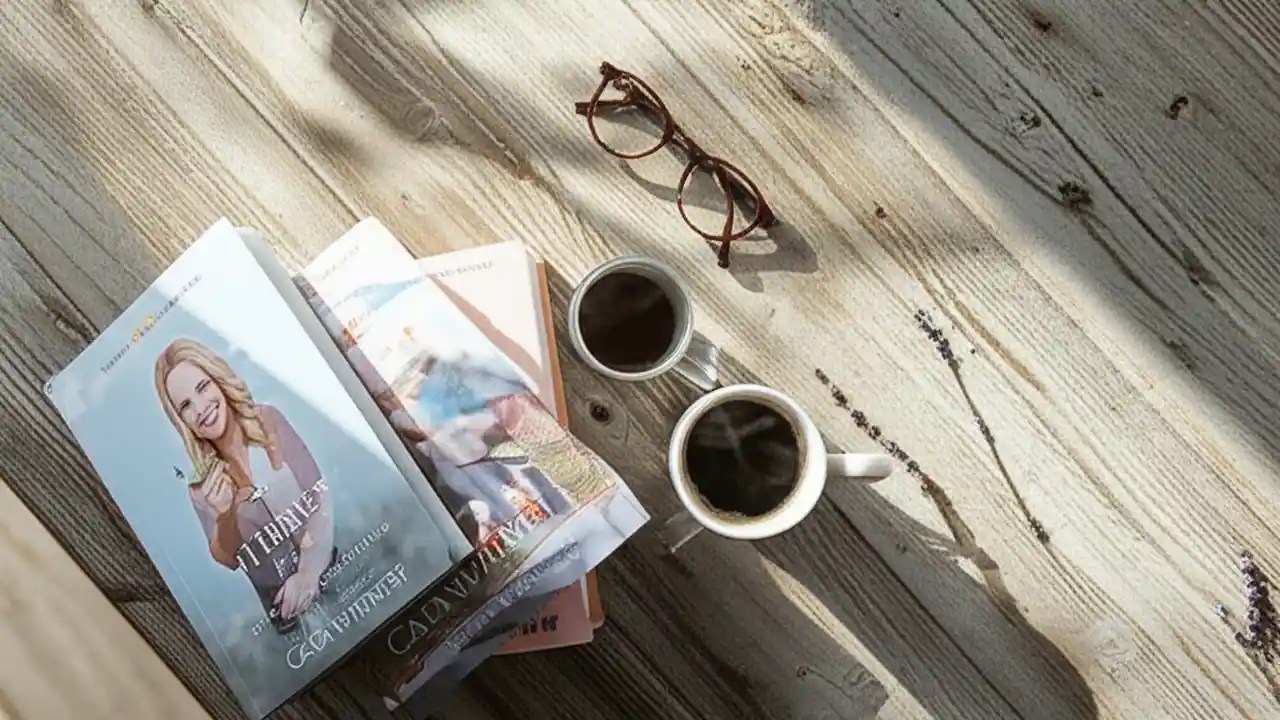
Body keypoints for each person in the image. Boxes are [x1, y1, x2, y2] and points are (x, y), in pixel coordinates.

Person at [154, 339, 335, 631]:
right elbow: (228, 560)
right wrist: (225, 515)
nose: (200, 409)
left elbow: (318, 492)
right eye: (186, 405)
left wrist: (307, 573)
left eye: (202, 387)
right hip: (290, 620)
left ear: (218, 380)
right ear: (180, 420)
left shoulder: (268, 420)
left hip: (329, 571)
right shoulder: (200, 488)